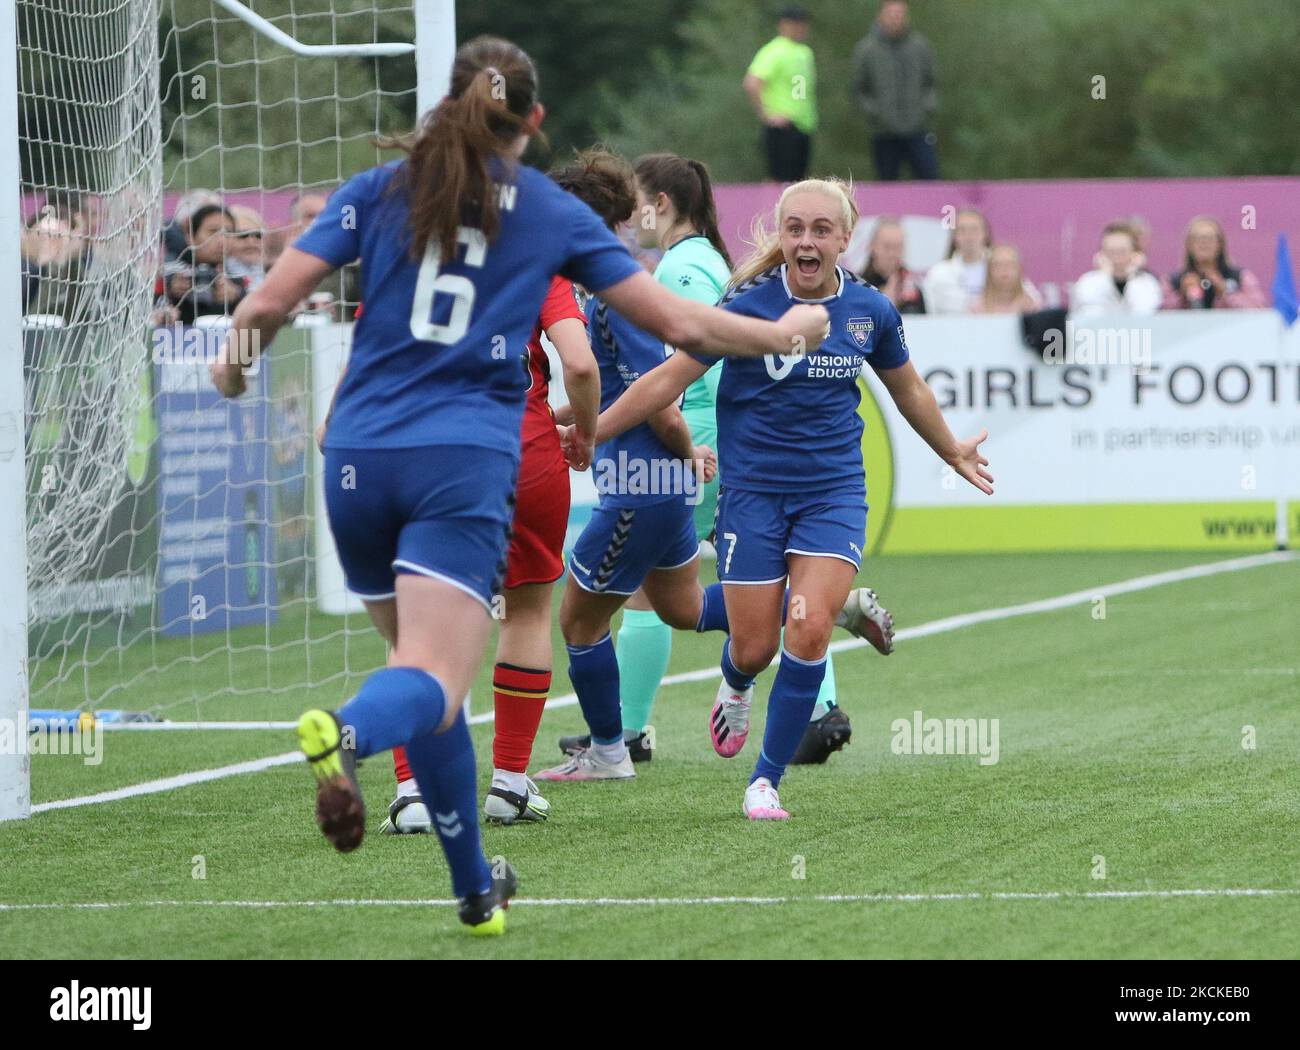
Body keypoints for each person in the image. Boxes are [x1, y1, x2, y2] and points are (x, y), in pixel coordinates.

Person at [210, 35, 833, 933]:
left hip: (352, 460)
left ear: (447, 104)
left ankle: (473, 889)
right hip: (458, 460)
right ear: (534, 121)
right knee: (435, 675)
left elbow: (264, 307)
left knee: (426, 673)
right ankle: (344, 735)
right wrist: (781, 334)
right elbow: (675, 320)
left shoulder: (375, 193)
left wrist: (231, 374)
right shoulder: (542, 210)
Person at [567, 177, 992, 820]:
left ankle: (764, 782)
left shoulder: (869, 311)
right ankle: (736, 682)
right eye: (795, 228)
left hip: (833, 495)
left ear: (846, 239)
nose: (806, 240)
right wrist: (593, 427)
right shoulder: (745, 305)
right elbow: (667, 380)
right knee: (754, 645)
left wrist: (952, 450)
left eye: (822, 229)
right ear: (782, 236)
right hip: (753, 497)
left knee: (809, 625)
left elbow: (910, 392)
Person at [557, 152, 896, 768]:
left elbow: (667, 375)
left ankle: (621, 739)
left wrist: (616, 435)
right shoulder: (696, 264)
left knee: (627, 607)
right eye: (796, 229)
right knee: (685, 604)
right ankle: (629, 735)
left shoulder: (677, 273)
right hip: (692, 449)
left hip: (688, 451)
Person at [381, 157, 606, 835]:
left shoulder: (404, 260)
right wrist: (586, 436)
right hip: (524, 453)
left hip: (428, 451)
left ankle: (413, 791)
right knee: (528, 613)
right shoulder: (538, 259)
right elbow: (582, 363)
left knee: (417, 622)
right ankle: (508, 782)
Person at [851, 1, 940, 181]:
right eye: (891, 15)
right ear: (880, 17)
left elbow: (932, 82)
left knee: (930, 178)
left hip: (917, 128)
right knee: (887, 182)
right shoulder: (867, 49)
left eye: (899, 15)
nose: (896, 20)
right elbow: (858, 89)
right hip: (883, 131)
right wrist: (874, 111)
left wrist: (927, 106)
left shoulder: (920, 47)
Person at [743, 7, 818, 182]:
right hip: (783, 127)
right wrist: (766, 115)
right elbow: (752, 82)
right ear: (783, 25)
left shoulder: (804, 52)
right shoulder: (774, 51)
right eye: (796, 24)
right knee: (778, 179)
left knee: (800, 181)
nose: (800, 29)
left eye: (803, 25)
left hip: (803, 125)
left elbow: (800, 89)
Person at [1162, 216, 1268, 310]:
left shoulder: (1240, 277)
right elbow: (1157, 316)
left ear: (1220, 244)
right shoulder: (1173, 280)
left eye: (1210, 238)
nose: (1204, 243)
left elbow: (1260, 310)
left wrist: (1225, 291)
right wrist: (1181, 295)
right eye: (1197, 238)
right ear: (1189, 245)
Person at [163, 203, 246, 324]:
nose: (222, 240)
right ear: (190, 235)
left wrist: (238, 297)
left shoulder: (240, 279)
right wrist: (169, 295)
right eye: (213, 232)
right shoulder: (171, 274)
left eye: (228, 233)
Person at [1071, 221, 1161, 316]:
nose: (1116, 257)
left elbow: (1144, 312)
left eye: (1122, 251)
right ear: (1101, 254)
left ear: (1135, 253)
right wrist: (1104, 275)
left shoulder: (1147, 283)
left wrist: (1133, 275)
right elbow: (1090, 312)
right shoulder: (1087, 282)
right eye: (1110, 251)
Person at [922, 207, 990, 314]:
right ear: (954, 236)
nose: (969, 236)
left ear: (985, 234)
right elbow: (928, 311)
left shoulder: (1001, 267)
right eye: (962, 230)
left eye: (974, 229)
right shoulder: (938, 273)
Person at [859, 216, 925, 313]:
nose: (892, 254)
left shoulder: (912, 287)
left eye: (898, 247)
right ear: (872, 246)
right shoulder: (857, 287)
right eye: (887, 246)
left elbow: (926, 324)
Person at [973, 243, 1041, 314]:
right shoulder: (977, 308)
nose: (1004, 269)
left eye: (1010, 264)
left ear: (1019, 269)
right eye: (998, 265)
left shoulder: (1032, 306)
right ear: (989, 270)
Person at [226, 205, 268, 289]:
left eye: (258, 235)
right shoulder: (220, 276)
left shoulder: (270, 272)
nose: (251, 241)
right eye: (243, 235)